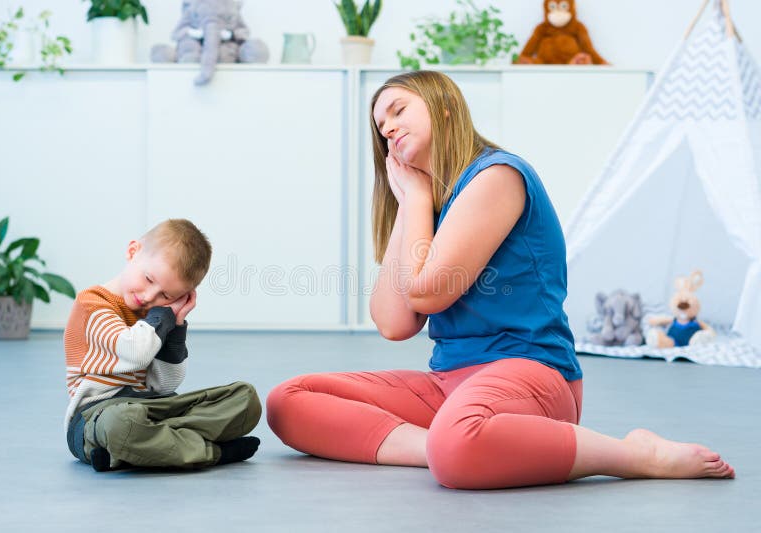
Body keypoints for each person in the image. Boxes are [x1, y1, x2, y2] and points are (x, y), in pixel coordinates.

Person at [266, 71, 735, 489]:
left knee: (456, 448)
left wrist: (413, 203)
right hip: (448, 384)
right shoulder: (425, 203)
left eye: (397, 109)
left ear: (445, 105)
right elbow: (392, 323)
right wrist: (413, 202)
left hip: (531, 375)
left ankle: (636, 454)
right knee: (289, 400)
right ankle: (451, 445)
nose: (386, 127)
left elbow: (428, 292)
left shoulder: (497, 175)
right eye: (379, 125)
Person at [64, 219, 261, 472]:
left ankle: (143, 449)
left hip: (152, 407)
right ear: (133, 252)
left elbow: (165, 385)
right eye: (148, 279)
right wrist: (164, 315)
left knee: (245, 398)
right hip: (96, 417)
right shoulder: (92, 304)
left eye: (166, 296)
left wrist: (177, 326)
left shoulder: (153, 321)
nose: (149, 297)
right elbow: (134, 352)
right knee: (121, 424)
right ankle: (214, 452)